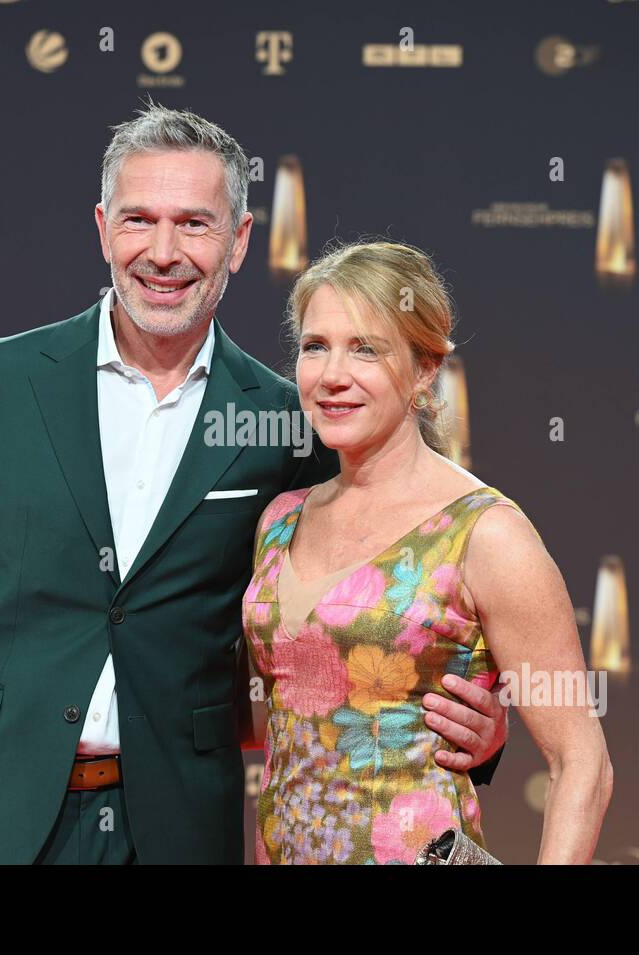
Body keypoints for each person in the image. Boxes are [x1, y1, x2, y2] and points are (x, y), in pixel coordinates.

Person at [0, 103, 509, 865]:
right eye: (138, 220)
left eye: (194, 223)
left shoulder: (289, 423)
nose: (162, 251)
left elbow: (371, 616)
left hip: (176, 830)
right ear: (100, 228)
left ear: (240, 240)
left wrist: (477, 728)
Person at [244, 240, 613, 864]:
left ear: (424, 369)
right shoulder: (281, 520)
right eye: (315, 347)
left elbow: (584, 764)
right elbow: (282, 710)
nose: (333, 374)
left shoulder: (486, 534)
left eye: (366, 348)